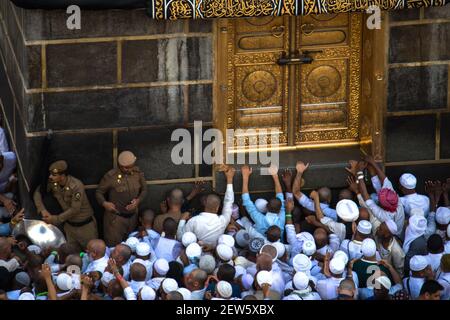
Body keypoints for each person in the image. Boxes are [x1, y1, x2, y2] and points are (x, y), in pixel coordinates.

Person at [33, 160, 98, 249]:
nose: (50, 177)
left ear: (62, 176)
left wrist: (55, 219)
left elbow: (75, 209)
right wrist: (42, 210)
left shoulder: (76, 186)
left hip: (85, 227)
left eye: (54, 175)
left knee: (91, 252)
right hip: (69, 227)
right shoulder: (54, 184)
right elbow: (37, 193)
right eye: (50, 174)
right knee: (71, 254)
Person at [96, 151, 147, 246]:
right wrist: (104, 203)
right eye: (125, 167)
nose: (127, 169)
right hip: (116, 220)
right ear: (120, 165)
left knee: (131, 246)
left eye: (130, 166)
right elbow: (99, 192)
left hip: (132, 218)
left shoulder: (138, 173)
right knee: (114, 247)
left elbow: (144, 190)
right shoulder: (111, 176)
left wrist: (138, 201)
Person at [177, 166, 235, 247]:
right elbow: (228, 202)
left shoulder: (194, 221)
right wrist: (230, 179)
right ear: (217, 208)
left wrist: (182, 219)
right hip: (213, 253)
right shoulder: (223, 221)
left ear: (204, 203)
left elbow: (180, 238)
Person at [356, 156, 405, 236]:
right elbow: (385, 180)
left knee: (369, 202)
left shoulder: (385, 216)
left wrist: (359, 172)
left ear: (382, 205)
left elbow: (365, 196)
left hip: (393, 234)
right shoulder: (394, 197)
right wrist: (372, 163)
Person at [241, 165, 286, 237]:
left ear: (266, 208)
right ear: (279, 210)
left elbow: (247, 202)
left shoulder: (260, 220)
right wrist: (275, 175)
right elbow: (280, 198)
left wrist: (245, 177)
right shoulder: (281, 220)